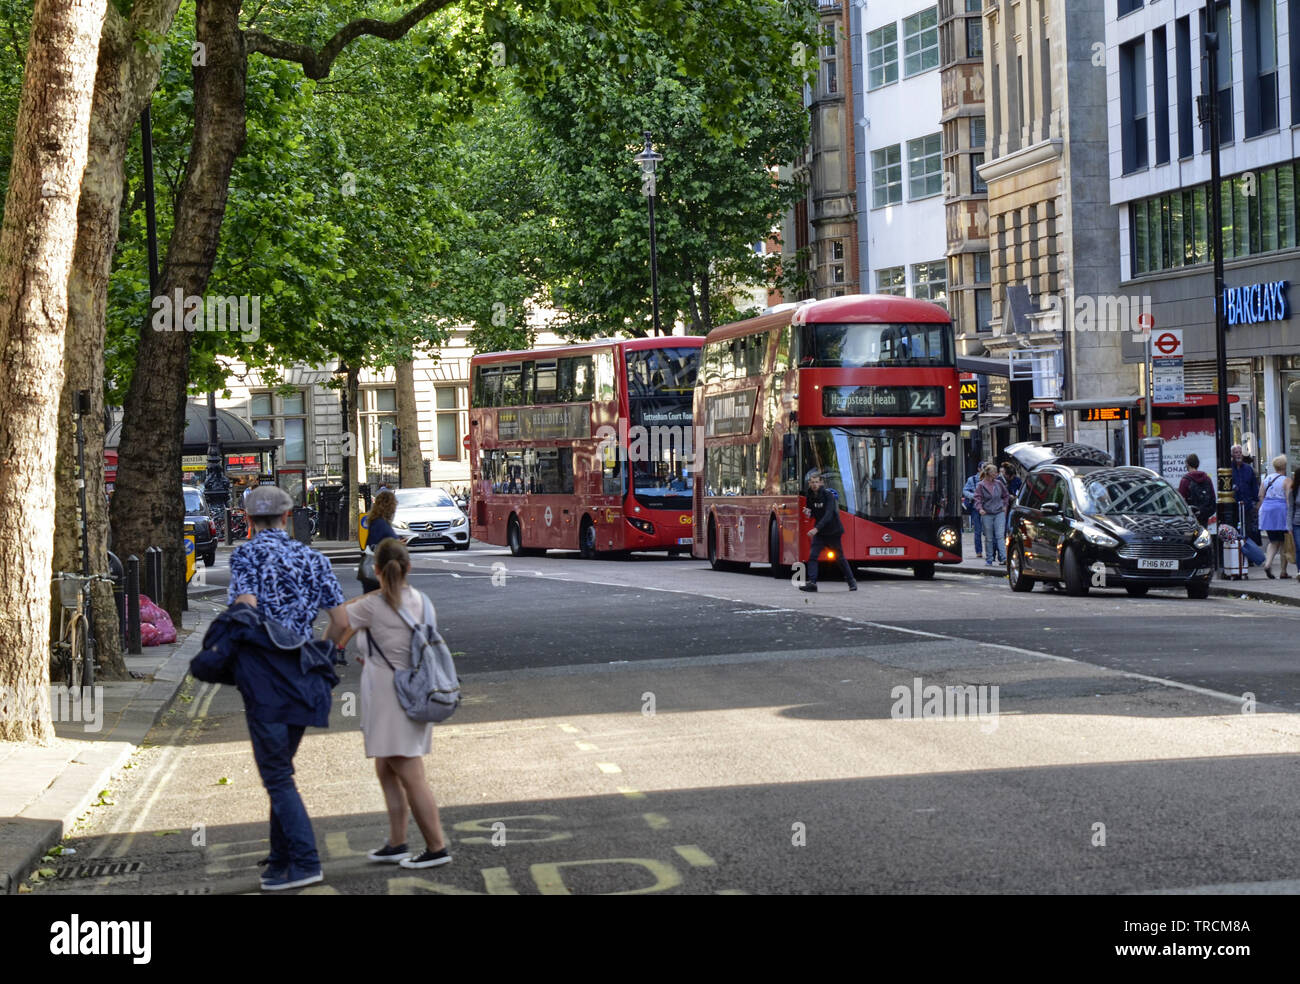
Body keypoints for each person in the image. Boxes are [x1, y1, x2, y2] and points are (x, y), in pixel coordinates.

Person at [228, 485, 348, 891]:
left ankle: (305, 861)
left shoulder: (246, 555)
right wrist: (323, 653)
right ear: (287, 516)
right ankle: (280, 859)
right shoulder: (314, 558)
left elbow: (245, 605)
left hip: (264, 676)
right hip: (302, 672)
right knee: (281, 769)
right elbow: (342, 621)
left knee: (277, 774)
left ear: (248, 520)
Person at [342, 538, 452, 869]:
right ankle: (397, 842)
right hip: (416, 690)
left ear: (376, 570)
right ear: (409, 568)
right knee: (386, 766)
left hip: (389, 696)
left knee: (409, 772)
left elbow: (338, 617)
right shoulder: (423, 601)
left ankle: (436, 847)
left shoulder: (372, 606)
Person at [799, 469, 858, 593]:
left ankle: (851, 582)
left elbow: (829, 514)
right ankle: (812, 583)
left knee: (839, 558)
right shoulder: (809, 496)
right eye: (812, 482)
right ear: (809, 483)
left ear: (821, 483)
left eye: (816, 482)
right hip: (820, 533)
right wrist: (808, 513)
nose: (814, 484)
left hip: (833, 531)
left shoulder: (828, 495)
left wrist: (816, 528)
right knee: (813, 556)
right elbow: (813, 513)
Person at [1257, 454, 1291, 579]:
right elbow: (1288, 499)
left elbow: (1260, 495)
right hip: (1280, 512)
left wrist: (1263, 507)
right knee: (1284, 541)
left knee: (1273, 541)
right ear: (1285, 466)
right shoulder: (1287, 480)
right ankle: (1283, 571)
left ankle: (1268, 564)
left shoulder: (1267, 479)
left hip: (1267, 511)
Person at [361, 490, 400, 593]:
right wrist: (396, 545)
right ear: (389, 506)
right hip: (381, 574)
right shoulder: (380, 524)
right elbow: (377, 547)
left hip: (378, 573)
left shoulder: (377, 522)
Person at [974, 463, 1008, 567]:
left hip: (999, 512)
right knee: (989, 538)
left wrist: (1004, 505)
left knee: (1000, 536)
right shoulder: (981, 485)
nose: (996, 474)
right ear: (988, 473)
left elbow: (1005, 495)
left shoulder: (999, 483)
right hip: (987, 513)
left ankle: (1004, 558)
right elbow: (977, 498)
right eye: (994, 472)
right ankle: (989, 559)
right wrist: (980, 509)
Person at [1230, 444, 1260, 543]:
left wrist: (1256, 502)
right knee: (1236, 529)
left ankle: (1248, 548)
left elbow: (1254, 486)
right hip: (1234, 506)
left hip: (1247, 505)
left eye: (1240, 452)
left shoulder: (1248, 469)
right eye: (1236, 452)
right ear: (1232, 455)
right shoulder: (1229, 468)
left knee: (1248, 530)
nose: (1238, 454)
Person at [1177, 453, 1217, 526]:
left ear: (1187, 464)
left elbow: (1180, 501)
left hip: (1191, 519)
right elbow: (1212, 498)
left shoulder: (1185, 480)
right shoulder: (1207, 478)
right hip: (1204, 517)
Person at [962, 464, 984, 558]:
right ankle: (979, 551)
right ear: (979, 469)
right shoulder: (972, 479)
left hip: (988, 508)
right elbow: (965, 491)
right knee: (977, 530)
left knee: (989, 531)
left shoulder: (991, 480)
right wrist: (973, 496)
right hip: (976, 508)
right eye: (983, 468)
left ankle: (991, 552)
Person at [1290, 467, 1300, 582]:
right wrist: (1289, 526)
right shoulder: (1294, 490)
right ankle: (1299, 571)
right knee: (1299, 547)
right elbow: (1290, 509)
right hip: (1297, 523)